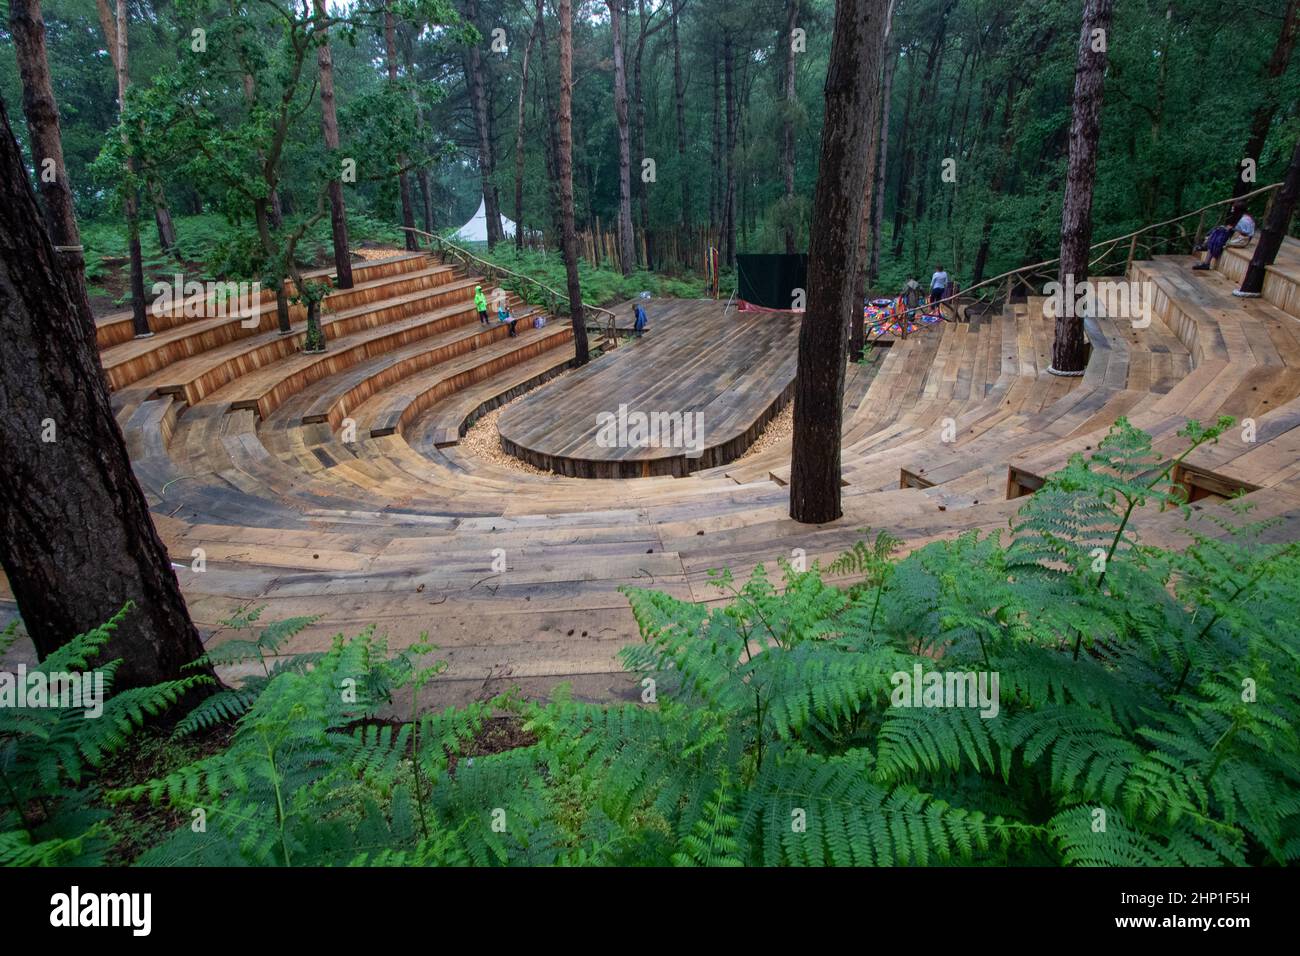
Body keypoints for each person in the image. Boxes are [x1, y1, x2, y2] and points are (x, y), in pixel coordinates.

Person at [1193, 204, 1255, 271]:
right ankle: (1207, 249)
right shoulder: (1243, 217)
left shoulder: (1244, 220)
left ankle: (1206, 255)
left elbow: (1246, 233)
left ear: (1238, 209)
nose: (1232, 210)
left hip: (1242, 240)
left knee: (1218, 237)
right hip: (1238, 237)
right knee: (1218, 232)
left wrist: (1232, 229)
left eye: (1233, 209)